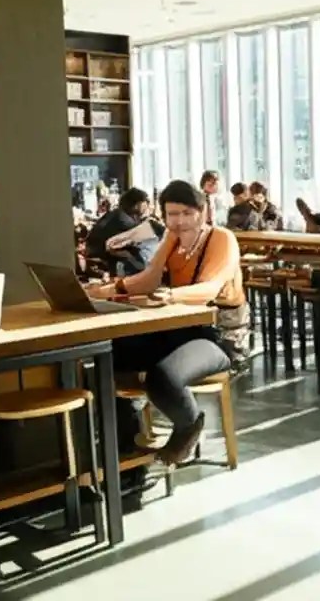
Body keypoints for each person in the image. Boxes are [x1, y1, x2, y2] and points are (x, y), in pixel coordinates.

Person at [86, 180, 246, 465]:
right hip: (179, 328)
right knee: (109, 356)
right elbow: (149, 277)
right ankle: (127, 438)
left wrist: (170, 295)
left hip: (219, 336)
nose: (179, 221)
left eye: (186, 213)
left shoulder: (221, 238)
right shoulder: (171, 239)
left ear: (202, 211)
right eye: (172, 214)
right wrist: (112, 288)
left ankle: (189, 424)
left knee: (164, 377)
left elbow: (210, 288)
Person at [86, 188, 163, 274]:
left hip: (100, 258)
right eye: (146, 201)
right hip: (107, 263)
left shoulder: (116, 215)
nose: (148, 205)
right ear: (137, 204)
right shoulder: (124, 220)